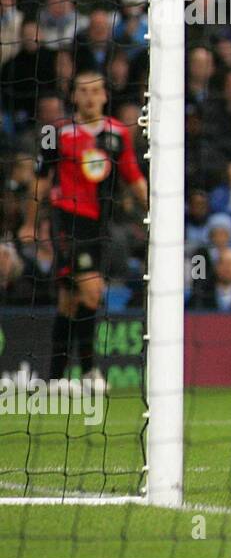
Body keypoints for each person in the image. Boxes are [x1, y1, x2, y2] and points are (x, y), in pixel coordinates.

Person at [21, 71, 147, 388]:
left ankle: (54, 377)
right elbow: (41, 179)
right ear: (74, 97)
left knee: (69, 300)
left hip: (99, 224)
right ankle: (91, 371)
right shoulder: (57, 132)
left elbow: (132, 175)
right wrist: (29, 222)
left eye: (95, 91)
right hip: (67, 219)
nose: (90, 97)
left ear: (105, 95)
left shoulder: (118, 133)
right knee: (92, 290)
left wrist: (153, 210)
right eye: (83, 91)